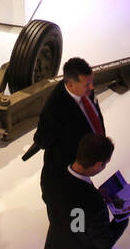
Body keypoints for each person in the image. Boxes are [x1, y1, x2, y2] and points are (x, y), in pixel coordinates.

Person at [33, 57, 104, 198]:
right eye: (87, 84)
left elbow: (95, 114)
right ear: (70, 85)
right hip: (67, 171)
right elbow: (41, 140)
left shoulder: (85, 91)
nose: (92, 87)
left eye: (91, 82)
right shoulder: (54, 109)